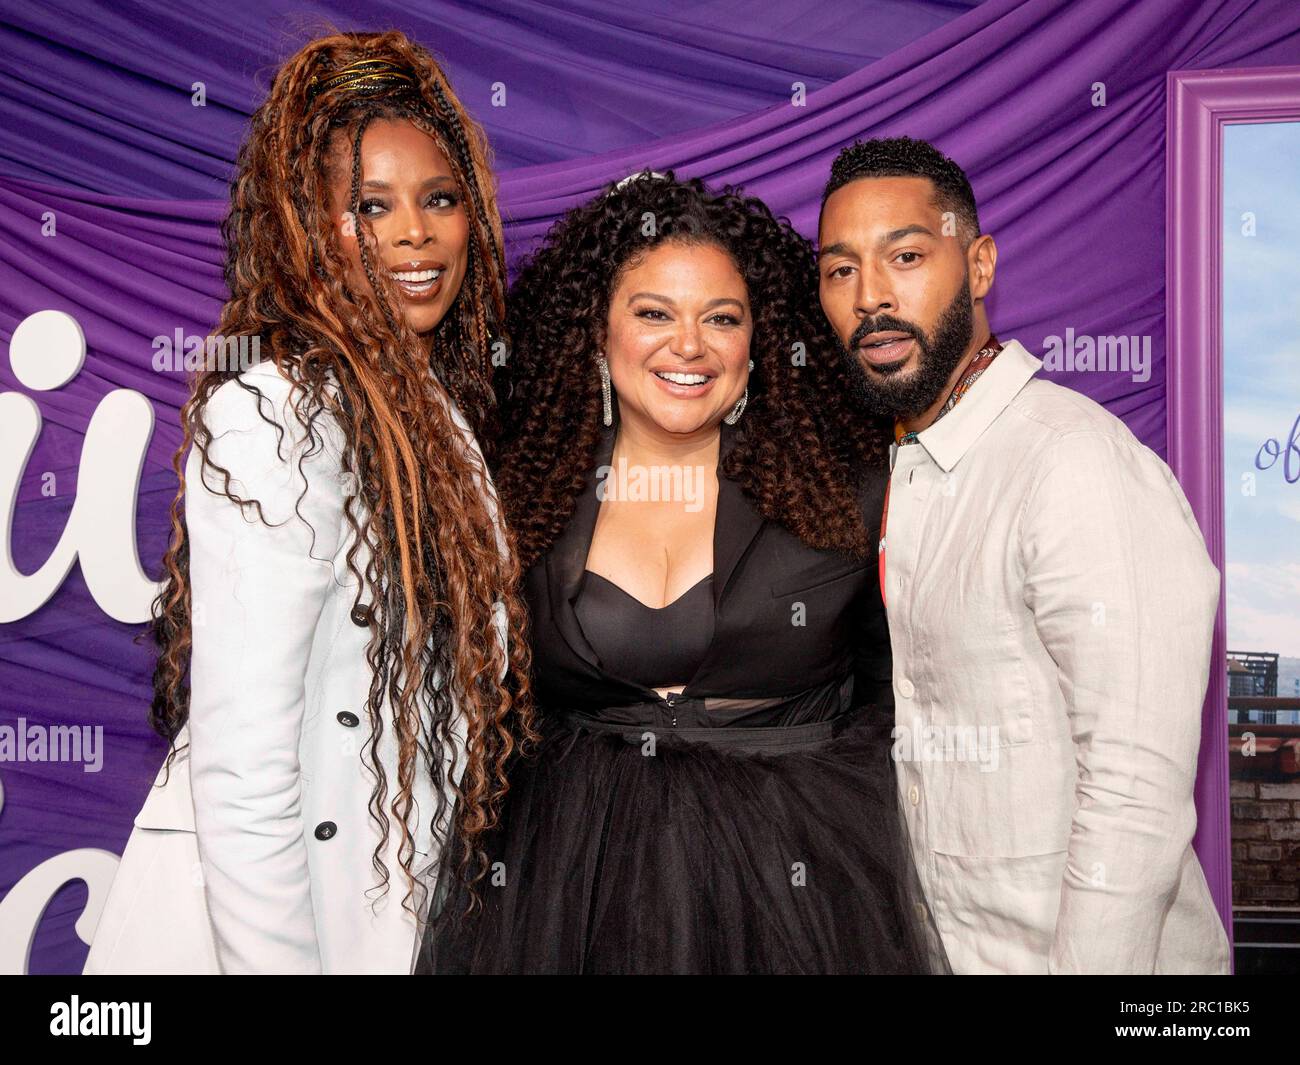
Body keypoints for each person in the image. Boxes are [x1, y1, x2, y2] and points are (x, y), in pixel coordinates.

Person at [82, 31, 536, 975]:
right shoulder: (272, 410)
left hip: (384, 924)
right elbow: (244, 775)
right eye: (370, 206)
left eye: (440, 199)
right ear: (305, 224)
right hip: (257, 938)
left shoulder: (442, 421)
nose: (415, 233)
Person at [416, 171, 949, 974]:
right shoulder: (517, 491)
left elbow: (894, 691)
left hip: (802, 891)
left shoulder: (849, 490)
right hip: (561, 889)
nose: (689, 345)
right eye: (654, 313)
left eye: (722, 318)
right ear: (599, 330)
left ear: (757, 340)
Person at [817, 135, 1230, 974]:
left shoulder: (1074, 459)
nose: (871, 297)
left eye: (905, 255)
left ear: (979, 265)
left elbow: (1136, 799)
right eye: (840, 270)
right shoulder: (893, 472)